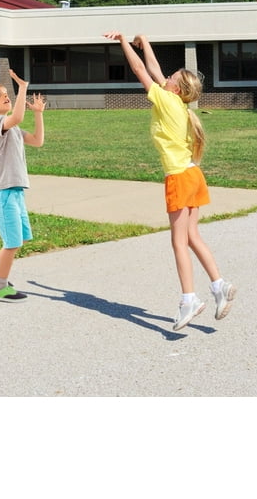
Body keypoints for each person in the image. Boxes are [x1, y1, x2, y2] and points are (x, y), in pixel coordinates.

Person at [103, 31, 236, 331]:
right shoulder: (179, 105)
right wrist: (145, 41)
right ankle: (219, 285)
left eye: (171, 77)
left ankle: (189, 299)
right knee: (192, 236)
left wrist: (123, 41)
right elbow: (154, 68)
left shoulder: (165, 100)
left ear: (176, 87)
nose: (165, 77)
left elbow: (141, 69)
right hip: (194, 175)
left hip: (178, 177)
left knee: (178, 241)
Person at [0, 69, 46, 302]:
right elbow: (16, 117)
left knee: (23, 237)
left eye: (6, 93)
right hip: (3, 192)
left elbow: (37, 141)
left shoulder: (12, 128)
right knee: (12, 243)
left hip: (15, 191)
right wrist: (22, 87)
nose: (5, 96)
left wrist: (38, 114)